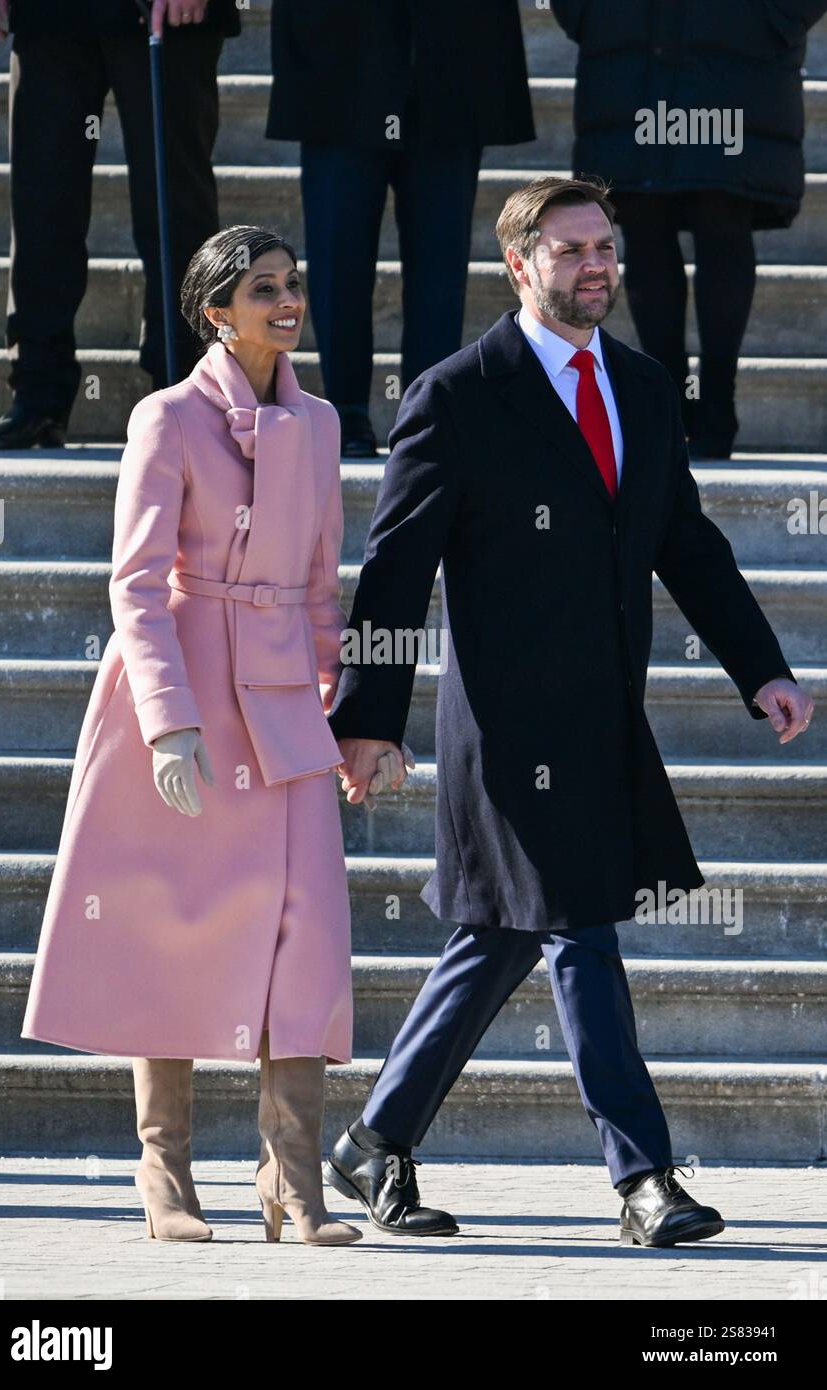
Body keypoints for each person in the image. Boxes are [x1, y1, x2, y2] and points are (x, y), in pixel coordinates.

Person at [324, 176, 815, 1247]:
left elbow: (684, 540)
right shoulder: (458, 394)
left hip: (601, 717)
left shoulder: (638, 385)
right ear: (517, 265)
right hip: (502, 730)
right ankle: (642, 1178)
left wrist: (758, 668)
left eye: (603, 247)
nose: (596, 265)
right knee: (577, 930)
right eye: (569, 250)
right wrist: (368, 717)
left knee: (499, 938)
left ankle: (372, 1141)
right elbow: (395, 568)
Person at [19, 225, 398, 1246]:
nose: (286, 300)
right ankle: (166, 1176)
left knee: (306, 938)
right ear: (213, 312)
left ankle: (292, 1185)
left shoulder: (318, 424)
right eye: (262, 288)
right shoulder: (166, 416)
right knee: (167, 928)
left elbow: (322, 586)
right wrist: (168, 724)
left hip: (280, 702)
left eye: (293, 283)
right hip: (182, 692)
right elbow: (136, 586)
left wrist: (346, 715)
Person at [551, 0, 827, 458]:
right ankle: (669, 410)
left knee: (721, 214)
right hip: (631, 44)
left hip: (737, 47)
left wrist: (777, 14)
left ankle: (715, 406)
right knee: (645, 220)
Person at [265, 0, 535, 455]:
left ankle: (426, 415)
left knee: (440, 267)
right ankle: (346, 413)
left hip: (452, 60)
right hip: (337, 61)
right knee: (338, 260)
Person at [0, 0, 240, 450]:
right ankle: (38, 394)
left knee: (175, 205)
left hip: (165, 16)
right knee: (42, 202)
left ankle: (183, 389)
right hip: (50, 18)